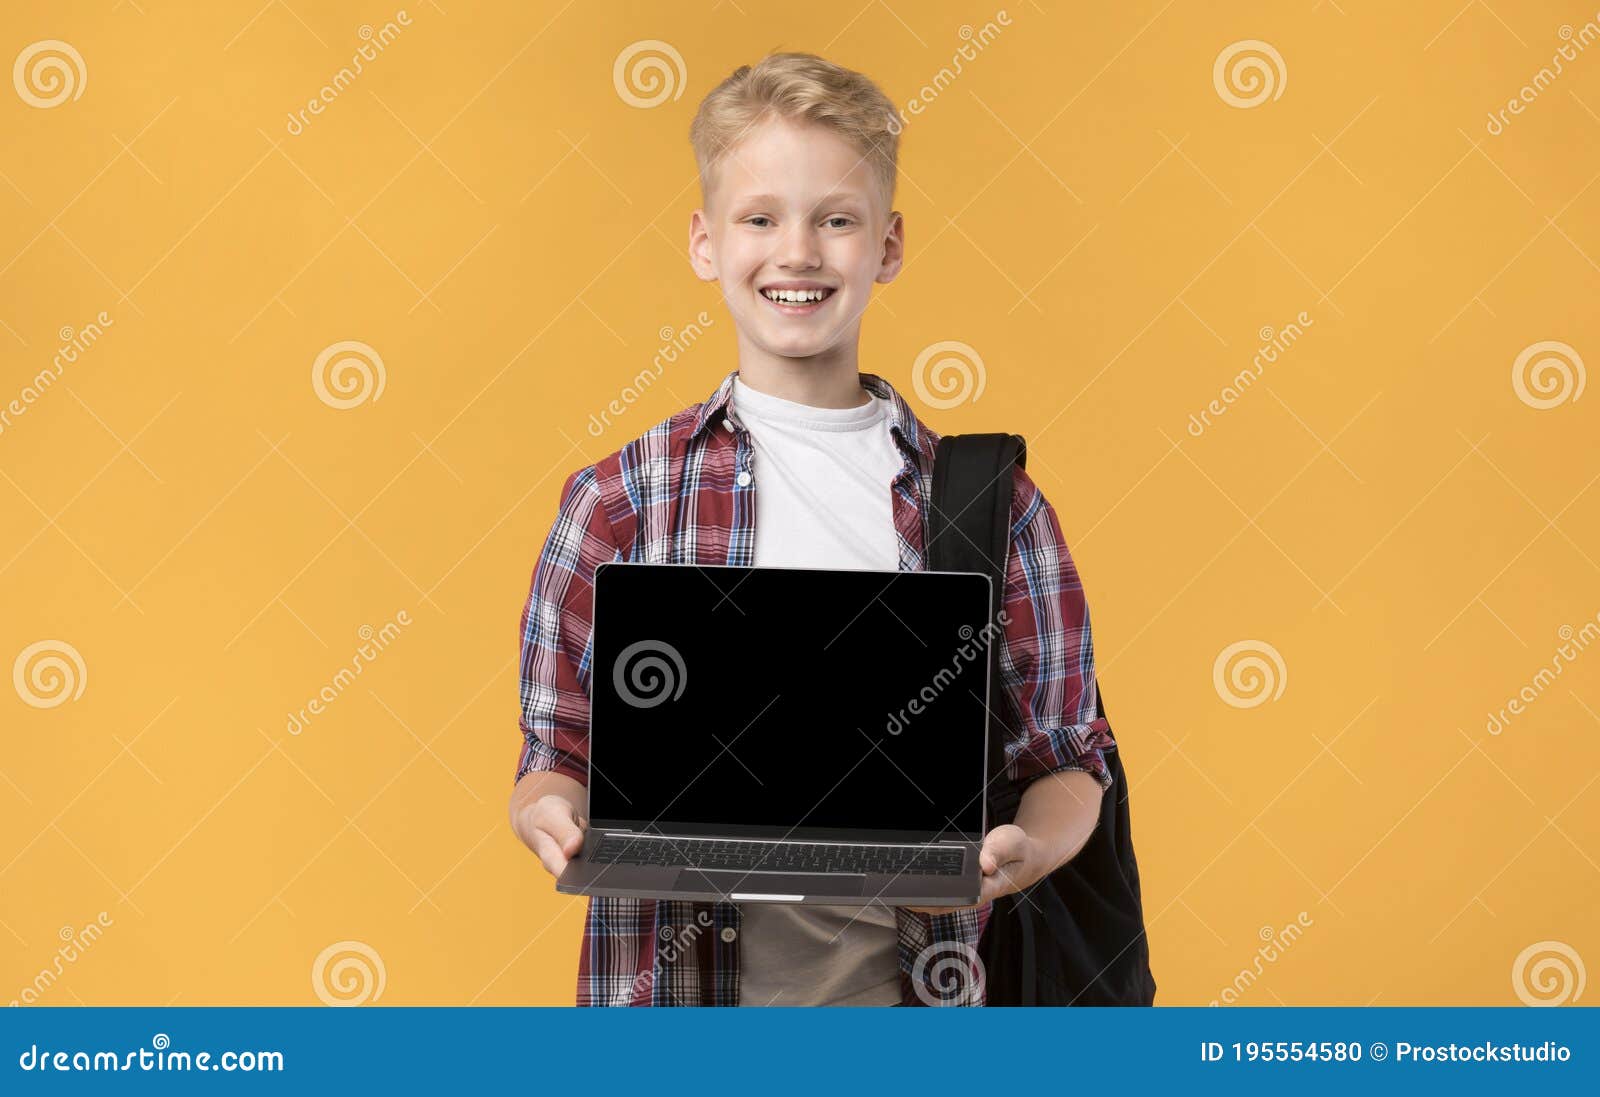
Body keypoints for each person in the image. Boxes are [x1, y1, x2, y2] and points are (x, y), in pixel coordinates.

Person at [508, 51, 1116, 1006]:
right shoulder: (618, 501)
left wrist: (1027, 847)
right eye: (760, 218)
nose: (797, 251)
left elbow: (1068, 757)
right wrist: (553, 817)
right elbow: (555, 754)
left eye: (836, 219)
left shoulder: (991, 506)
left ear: (888, 245)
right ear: (707, 244)